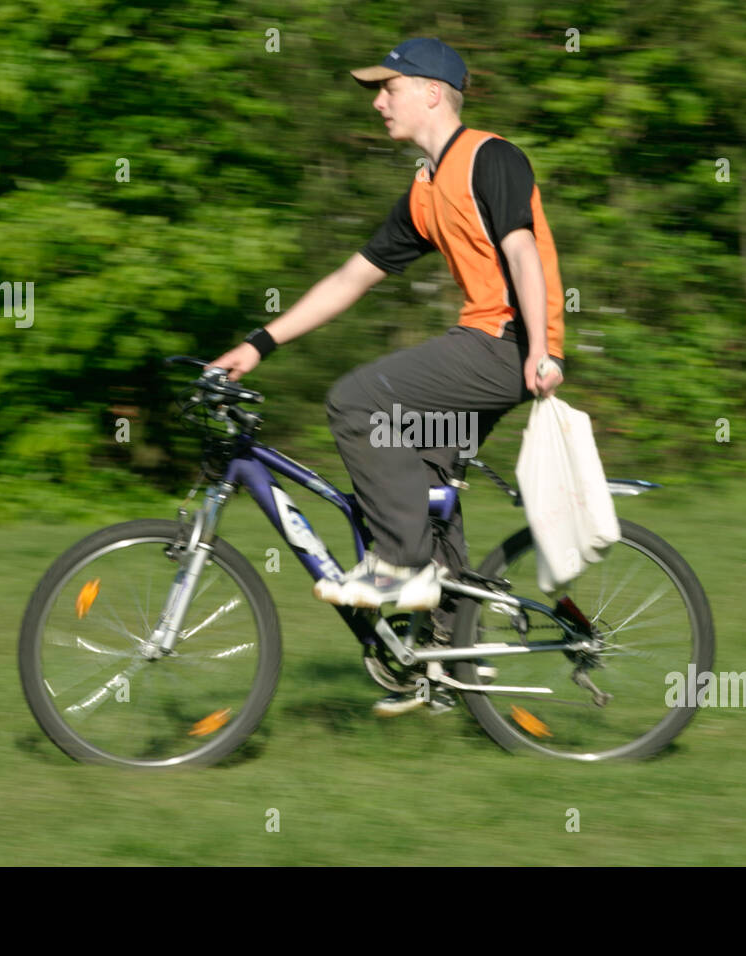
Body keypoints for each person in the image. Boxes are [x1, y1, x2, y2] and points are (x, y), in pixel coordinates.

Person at [211, 38, 566, 707]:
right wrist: (260, 341)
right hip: (490, 343)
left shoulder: (490, 157)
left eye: (389, 88)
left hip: (506, 343)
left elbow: (522, 250)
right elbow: (354, 276)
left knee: (355, 400)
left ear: (432, 91)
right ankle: (447, 654)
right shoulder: (426, 188)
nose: (378, 102)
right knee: (427, 476)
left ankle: (400, 567)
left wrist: (541, 349)